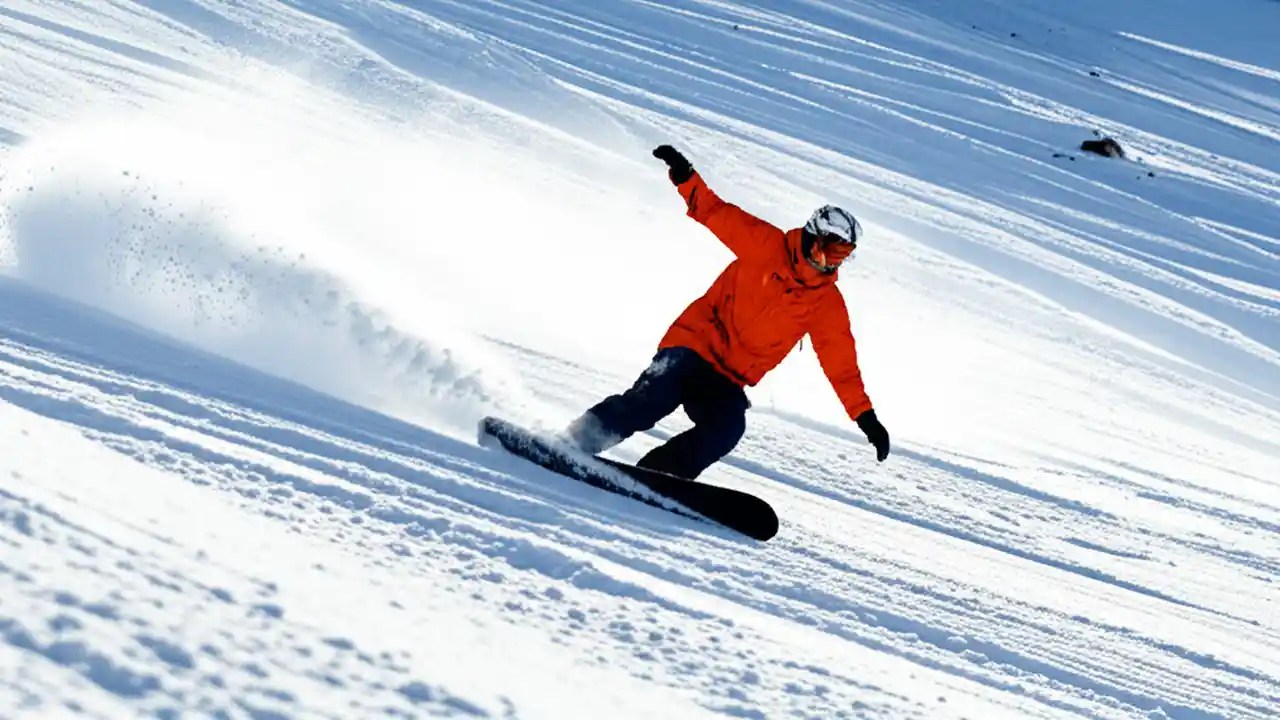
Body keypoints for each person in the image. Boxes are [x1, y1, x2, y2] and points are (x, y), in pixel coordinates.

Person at [565, 145, 890, 479]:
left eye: (844, 255)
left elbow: (841, 366)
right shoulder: (766, 245)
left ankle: (658, 476)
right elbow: (713, 210)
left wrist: (865, 417)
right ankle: (571, 442)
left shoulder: (826, 303)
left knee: (727, 428)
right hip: (693, 347)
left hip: (727, 378)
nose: (834, 262)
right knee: (649, 401)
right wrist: (684, 175)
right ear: (814, 239)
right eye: (833, 251)